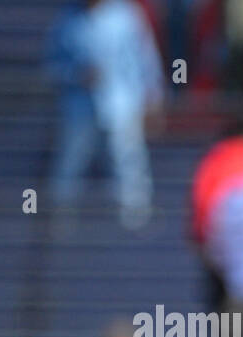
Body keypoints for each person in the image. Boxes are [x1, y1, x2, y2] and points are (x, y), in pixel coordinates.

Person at [45, 0, 163, 229]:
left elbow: (146, 58)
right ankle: (61, 219)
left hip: (122, 103)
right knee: (70, 162)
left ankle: (134, 219)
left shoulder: (126, 15)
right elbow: (52, 65)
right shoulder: (67, 19)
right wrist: (76, 74)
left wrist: (153, 98)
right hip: (79, 109)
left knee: (129, 162)